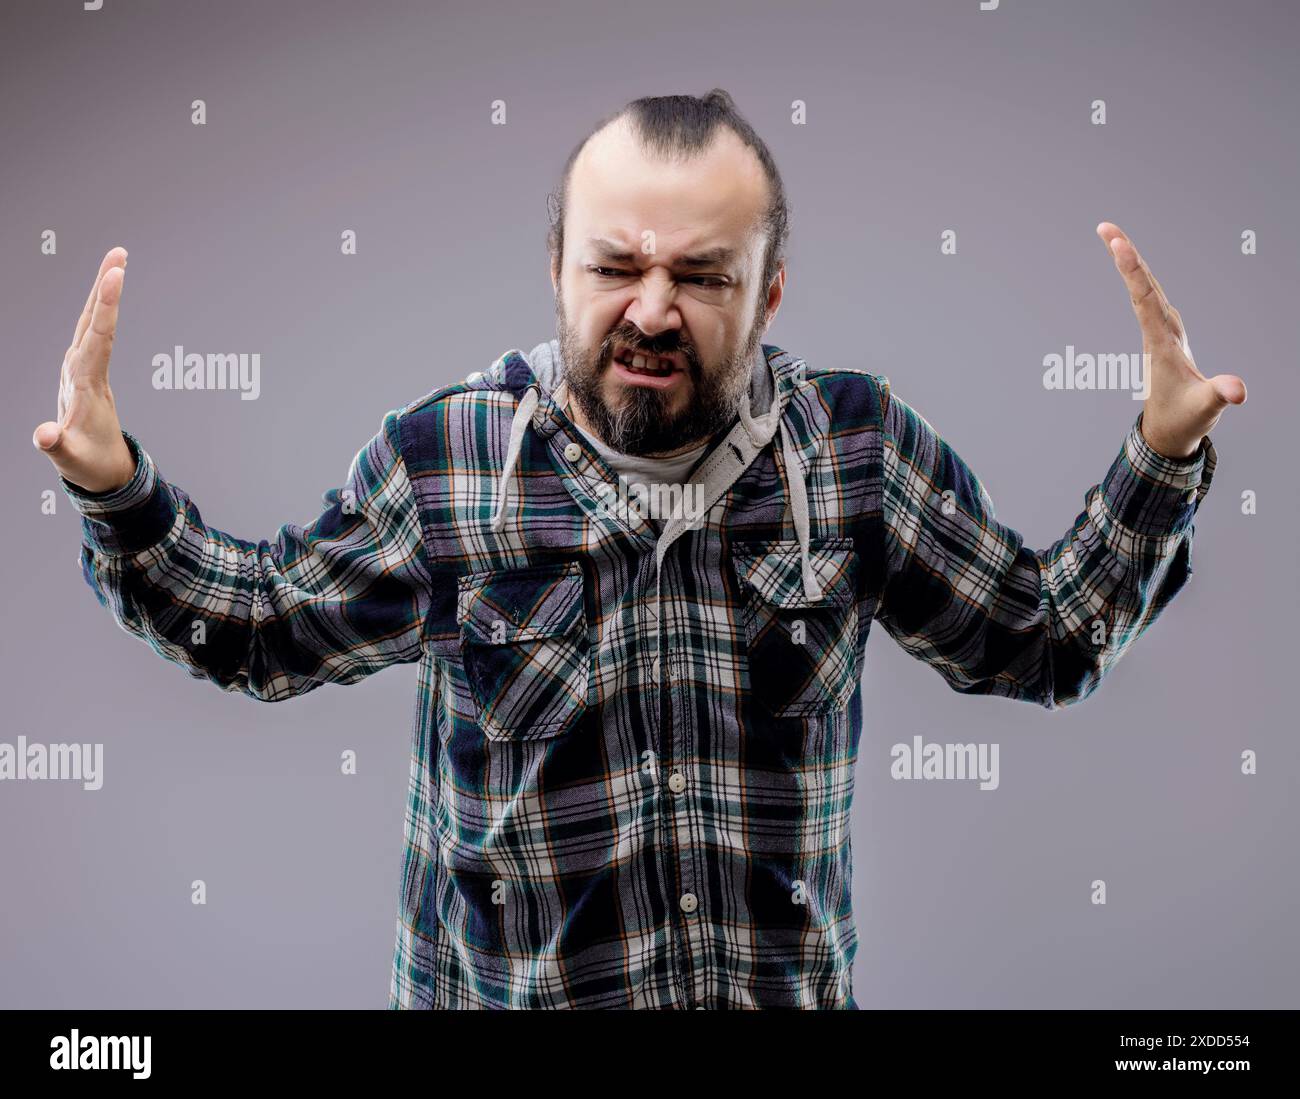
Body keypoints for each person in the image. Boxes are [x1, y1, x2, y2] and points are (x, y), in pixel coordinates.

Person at [33, 89, 1245, 1010]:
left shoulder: (858, 452)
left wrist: (1161, 452)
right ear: (557, 270)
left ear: (768, 297)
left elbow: (1044, 643)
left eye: (701, 274)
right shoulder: (446, 460)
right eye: (616, 265)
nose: (653, 308)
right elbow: (261, 629)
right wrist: (114, 485)